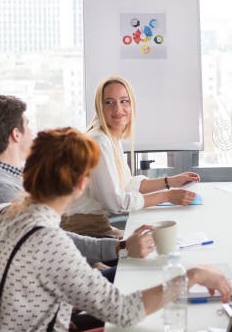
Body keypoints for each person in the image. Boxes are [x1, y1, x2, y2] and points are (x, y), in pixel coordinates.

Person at [0, 128, 232, 332]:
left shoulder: (3, 214)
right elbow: (124, 311)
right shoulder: (48, 240)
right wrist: (191, 277)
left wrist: (121, 249)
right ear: (82, 184)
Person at [0, 96, 153, 270]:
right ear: (16, 134)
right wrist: (118, 248)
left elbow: (51, 239)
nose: (32, 132)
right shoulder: (0, 191)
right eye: (28, 125)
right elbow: (49, 244)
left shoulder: (7, 180)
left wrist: (99, 261)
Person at [61, 76, 200, 238]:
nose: (118, 109)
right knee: (151, 244)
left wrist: (169, 182)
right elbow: (115, 202)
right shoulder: (98, 141)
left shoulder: (110, 137)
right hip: (82, 228)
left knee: (152, 240)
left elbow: (126, 184)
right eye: (109, 102)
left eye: (124, 101)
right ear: (99, 107)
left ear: (132, 105)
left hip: (95, 223)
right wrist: (167, 196)